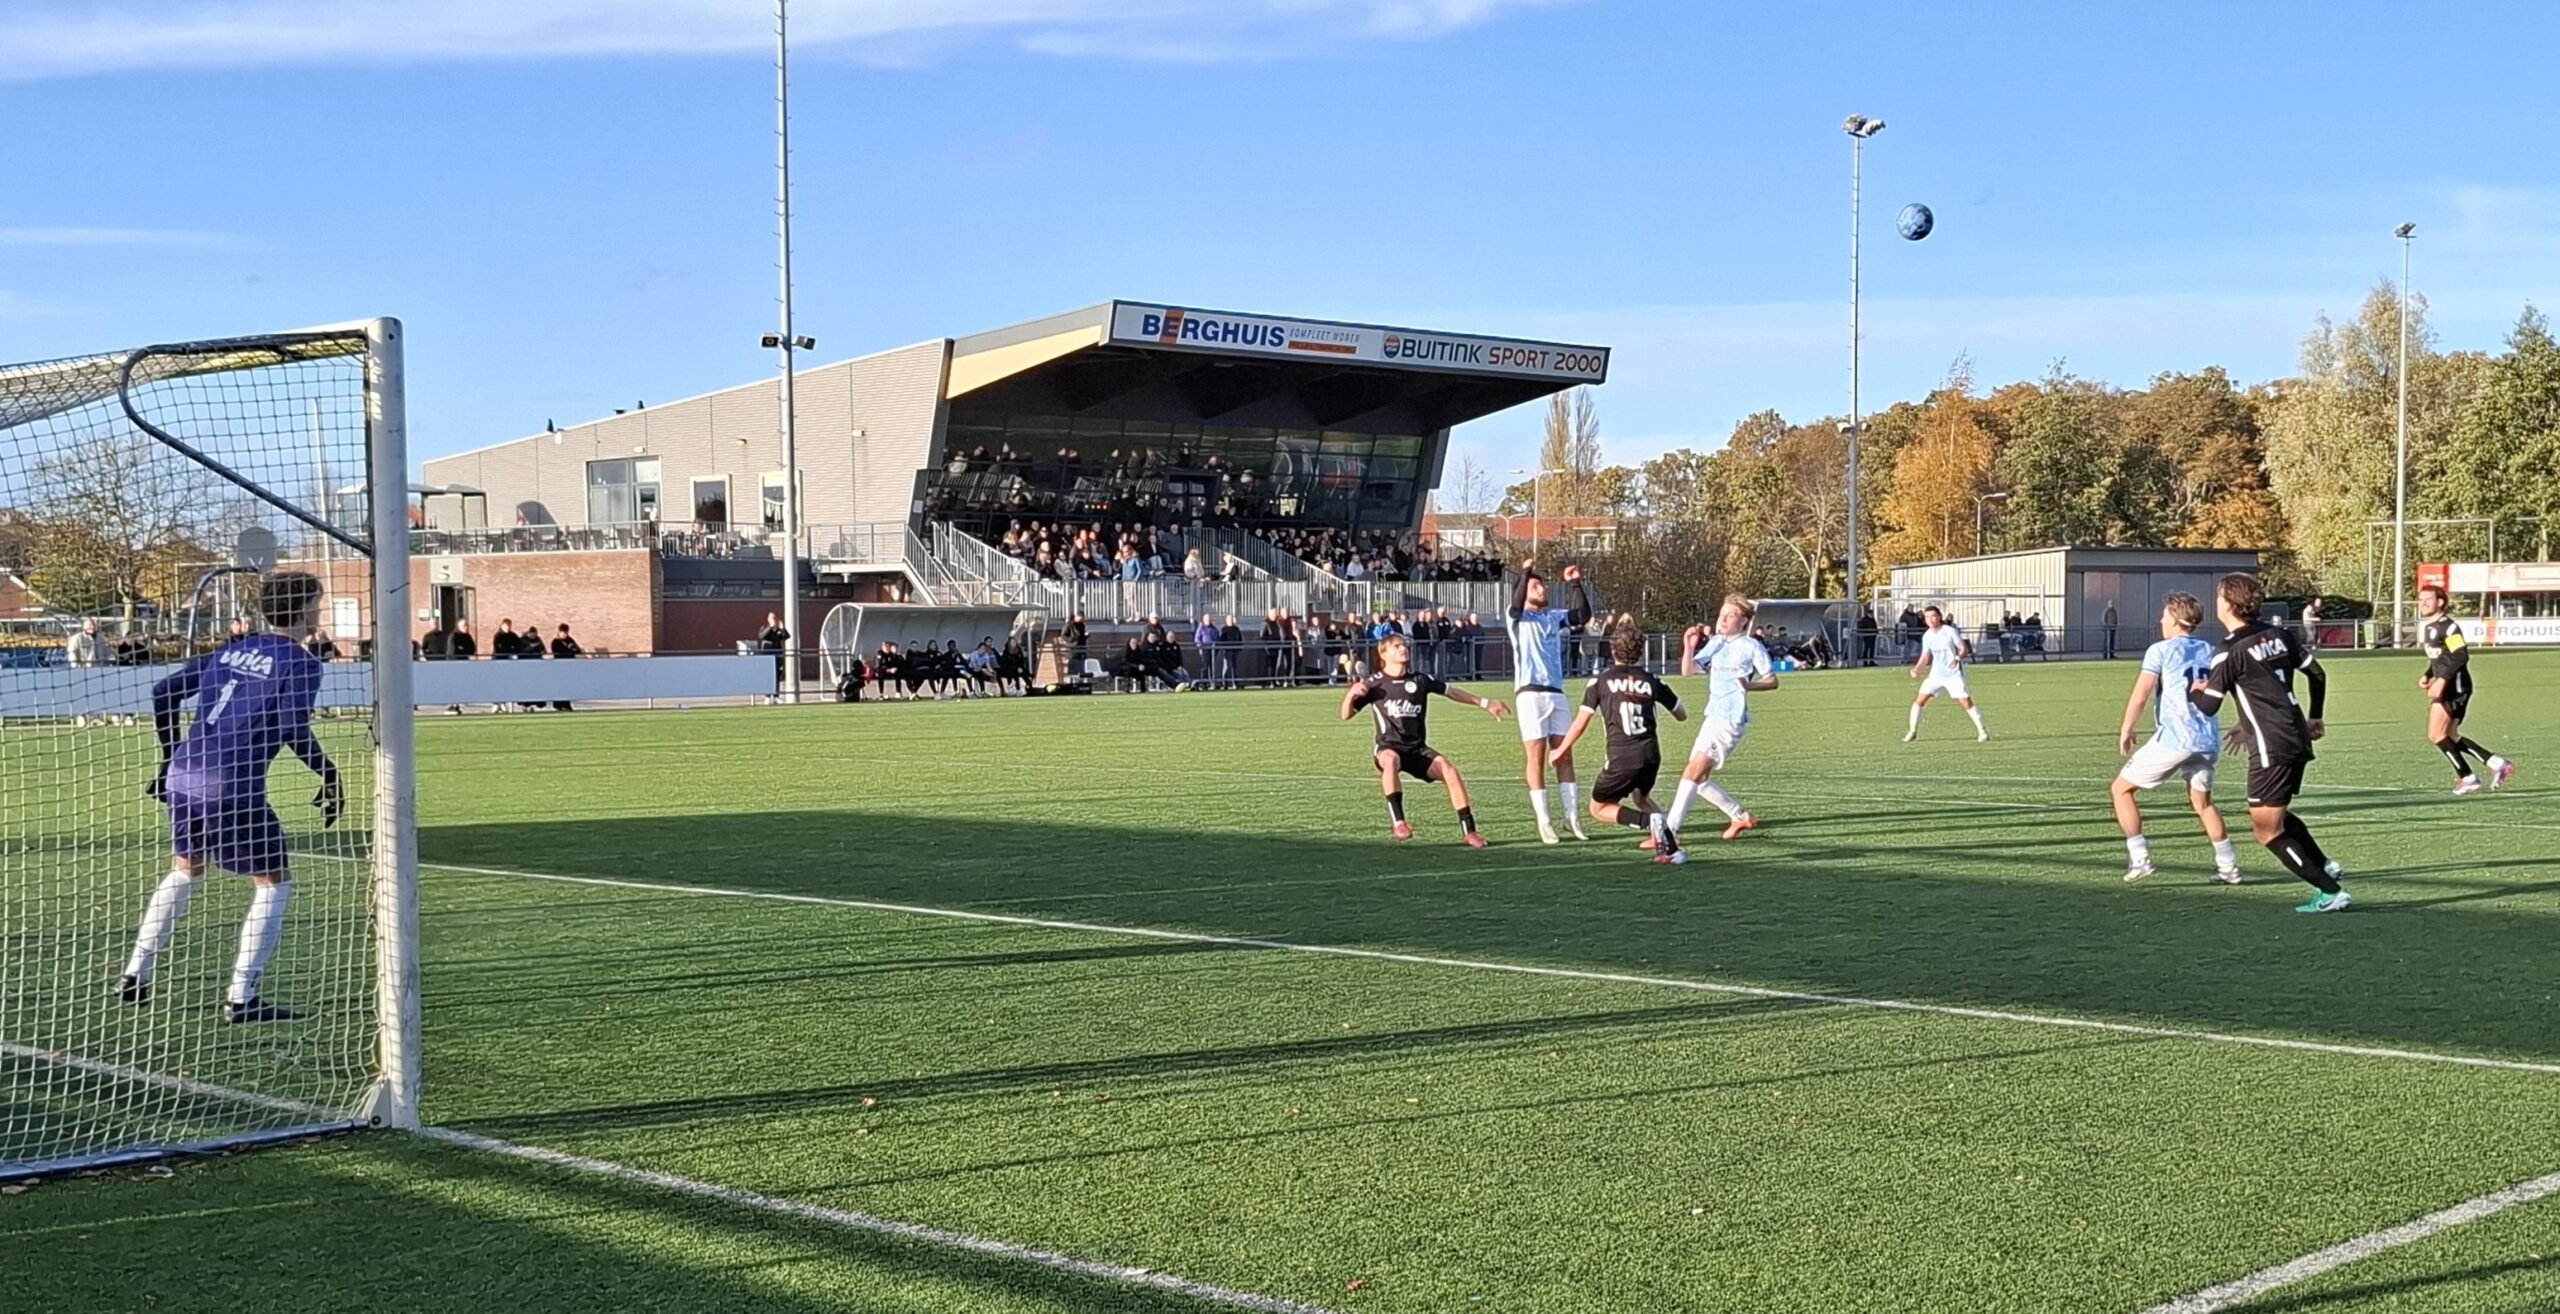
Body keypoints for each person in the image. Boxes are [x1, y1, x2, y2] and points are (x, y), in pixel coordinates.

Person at [119, 572, 341, 1024]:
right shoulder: (301, 663)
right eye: (317, 604)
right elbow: (293, 729)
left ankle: (135, 973)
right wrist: (329, 773)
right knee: (274, 881)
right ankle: (242, 998)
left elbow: (164, 693)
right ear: (302, 611)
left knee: (185, 870)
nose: (319, 612)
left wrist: (168, 757)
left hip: (183, 774)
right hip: (232, 783)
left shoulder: (233, 649)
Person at [2188, 572, 2350, 913]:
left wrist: (2195, 691)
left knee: (2266, 831)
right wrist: (2315, 716)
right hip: (2295, 736)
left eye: (2219, 596)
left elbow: (2209, 706)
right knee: (2277, 814)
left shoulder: (2229, 651)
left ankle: (2329, 890)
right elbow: (2316, 673)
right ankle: (2325, 865)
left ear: (2230, 603)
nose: (2216, 602)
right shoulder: (2278, 634)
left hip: (2270, 747)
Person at [2112, 592, 2243, 885]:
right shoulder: (2211, 649)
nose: (2160, 620)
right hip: (2208, 739)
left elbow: (2142, 693)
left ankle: (2140, 858)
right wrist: (2243, 722)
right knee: (2204, 803)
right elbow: (2234, 687)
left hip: (2176, 737)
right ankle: (2229, 867)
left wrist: (2126, 728)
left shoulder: (2160, 650)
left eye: (2163, 615)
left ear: (2173, 619)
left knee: (2120, 789)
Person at [1339, 631, 1504, 847]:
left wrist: (1485, 703)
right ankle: (1399, 822)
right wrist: (1351, 695)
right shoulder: (1373, 684)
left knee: (1449, 770)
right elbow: (1345, 715)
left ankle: (1469, 831)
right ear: (1384, 653)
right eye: (1397, 646)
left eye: (1404, 645)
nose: (1403, 648)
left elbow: (1451, 692)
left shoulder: (1420, 679)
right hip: (1388, 747)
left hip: (1417, 749)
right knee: (1390, 761)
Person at [1552, 619, 1688, 864]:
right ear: (1639, 652)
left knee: (1598, 808)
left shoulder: (1599, 682)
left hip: (1622, 757)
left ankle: (1651, 823)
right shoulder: (1652, 680)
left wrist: (1561, 749)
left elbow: (1581, 722)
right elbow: (1681, 714)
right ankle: (1671, 848)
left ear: (1612, 650)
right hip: (1650, 755)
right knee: (1641, 798)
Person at [1664, 595, 1780, 845]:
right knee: (1700, 779)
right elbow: (1687, 672)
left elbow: (1772, 680)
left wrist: (1750, 685)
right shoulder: (1716, 643)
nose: (1723, 619)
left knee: (1693, 772)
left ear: (1744, 621)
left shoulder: (1751, 646)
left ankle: (1668, 833)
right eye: (1722, 614)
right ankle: (1740, 816)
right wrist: (1689, 646)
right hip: (1712, 717)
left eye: (1730, 615)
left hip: (1730, 720)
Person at [1509, 559, 1596, 844]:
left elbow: (1583, 614)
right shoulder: (1517, 618)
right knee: (1535, 756)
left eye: (1542, 585)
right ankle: (1544, 821)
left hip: (1556, 692)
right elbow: (1515, 602)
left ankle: (1572, 817)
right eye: (1536, 586)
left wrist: (1575, 583)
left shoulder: (1552, 616)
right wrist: (1524, 573)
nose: (1542, 589)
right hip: (1530, 693)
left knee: (1564, 754)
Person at [2416, 584, 2516, 795]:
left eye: (2428, 599)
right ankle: (2497, 763)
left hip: (2455, 686)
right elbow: (2441, 657)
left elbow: (2460, 655)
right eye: (2420, 599)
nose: (2422, 603)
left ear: (2440, 602)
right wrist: (2428, 674)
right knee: (2450, 735)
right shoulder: (2430, 627)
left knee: (2436, 735)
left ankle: (2468, 777)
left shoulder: (2448, 627)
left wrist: (2442, 680)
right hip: (2449, 684)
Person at [1904, 606, 1989, 742]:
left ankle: (1982, 731)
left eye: (1933, 616)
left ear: (1939, 616)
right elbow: (1925, 656)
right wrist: (1917, 669)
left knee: (1965, 702)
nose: (1930, 620)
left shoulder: (1949, 631)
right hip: (1936, 674)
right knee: (1919, 701)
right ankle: (1912, 731)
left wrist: (1957, 659)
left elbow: (1963, 649)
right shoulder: (1927, 635)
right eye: (1926, 617)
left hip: (1953, 674)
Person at [547, 623, 582, 710]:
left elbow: (577, 650)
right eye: (563, 633)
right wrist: (569, 651)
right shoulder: (555, 642)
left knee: (568, 686)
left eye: (566, 633)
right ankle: (558, 704)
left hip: (569, 666)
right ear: (559, 632)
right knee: (559, 685)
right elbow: (558, 652)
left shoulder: (570, 640)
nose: (565, 635)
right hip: (559, 667)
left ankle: (567, 703)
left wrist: (573, 649)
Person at [758, 612, 790, 698]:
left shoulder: (778, 630)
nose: (774, 621)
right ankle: (767, 696)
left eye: (775, 619)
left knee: (777, 676)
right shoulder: (765, 628)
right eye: (772, 618)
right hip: (768, 655)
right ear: (768, 619)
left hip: (777, 655)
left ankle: (776, 696)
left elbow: (786, 636)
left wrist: (782, 628)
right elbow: (761, 636)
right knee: (768, 676)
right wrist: (770, 627)